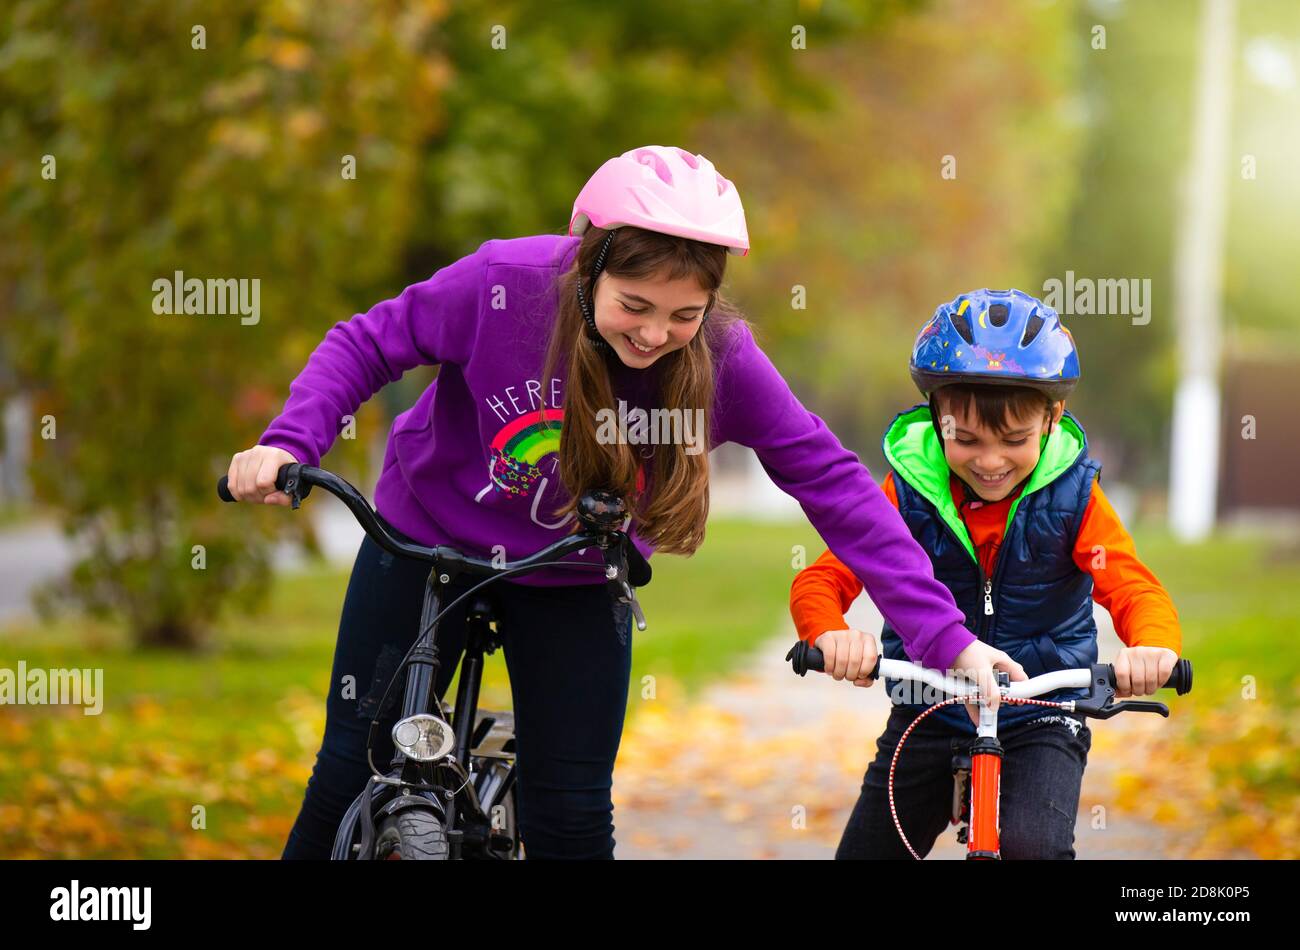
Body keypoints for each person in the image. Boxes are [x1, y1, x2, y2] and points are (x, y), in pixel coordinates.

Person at [226, 145, 983, 860]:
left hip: (576, 575)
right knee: (348, 771)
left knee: (572, 814)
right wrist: (291, 441)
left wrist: (947, 639)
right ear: (590, 265)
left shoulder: (723, 356)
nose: (657, 334)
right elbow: (369, 341)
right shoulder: (504, 284)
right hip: (425, 545)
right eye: (636, 304)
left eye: (684, 315)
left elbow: (833, 482)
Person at [789, 287, 1183, 859]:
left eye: (1014, 440)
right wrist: (828, 631)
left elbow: (1133, 586)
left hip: (1043, 712)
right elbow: (822, 578)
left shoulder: (1075, 498)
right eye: (965, 439)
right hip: (931, 704)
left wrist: (1153, 647)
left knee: (1033, 847)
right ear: (935, 417)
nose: (990, 461)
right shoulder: (906, 493)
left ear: (1053, 419)